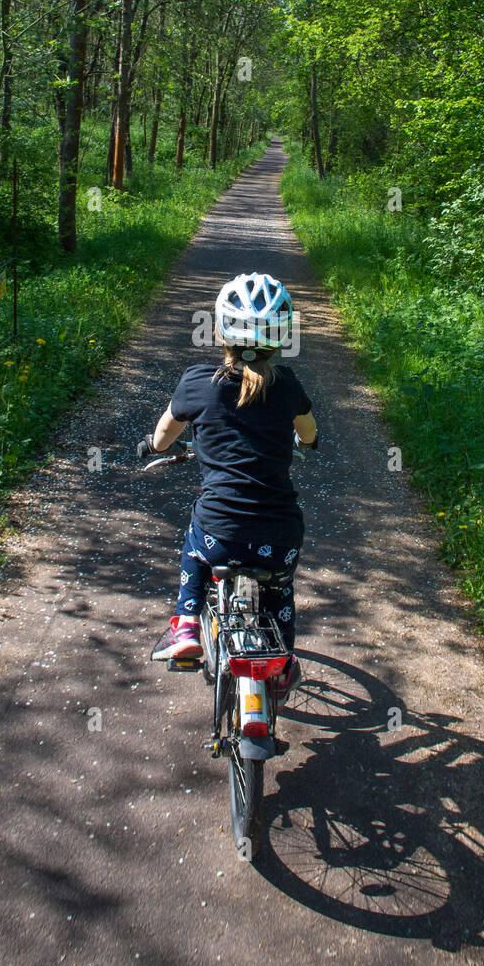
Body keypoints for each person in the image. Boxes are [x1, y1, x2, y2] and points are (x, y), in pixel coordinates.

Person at [138, 272, 318, 703]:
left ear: (221, 330)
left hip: (220, 532)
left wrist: (149, 445)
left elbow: (164, 437)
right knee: (279, 590)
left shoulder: (197, 382)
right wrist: (303, 441)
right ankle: (283, 661)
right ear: (280, 338)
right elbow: (309, 436)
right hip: (279, 535)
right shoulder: (288, 386)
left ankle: (184, 624)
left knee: (196, 545)